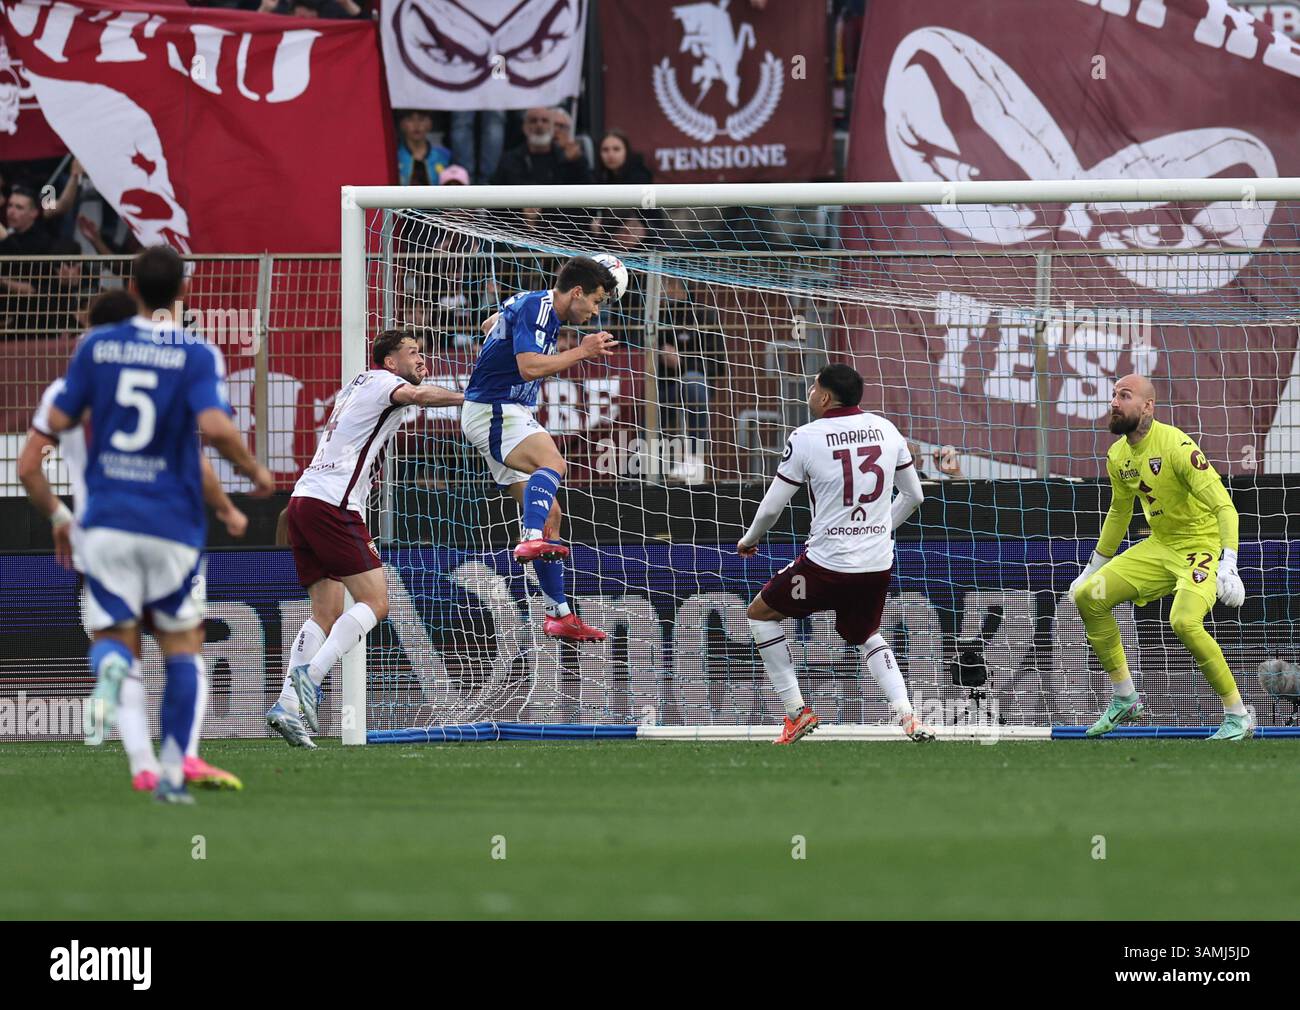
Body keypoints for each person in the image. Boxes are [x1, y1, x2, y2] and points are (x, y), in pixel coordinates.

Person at [40, 246, 274, 803]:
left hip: (107, 520)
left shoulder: (96, 346)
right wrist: (253, 472)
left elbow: (55, 421)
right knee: (181, 644)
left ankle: (114, 668)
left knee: (115, 635)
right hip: (171, 521)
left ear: (133, 287)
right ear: (183, 292)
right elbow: (214, 430)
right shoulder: (195, 353)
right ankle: (172, 773)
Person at [269, 329, 464, 747]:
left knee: (326, 611)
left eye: (423, 352)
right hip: (333, 505)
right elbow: (421, 397)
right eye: (413, 353)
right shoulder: (381, 382)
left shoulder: (356, 385)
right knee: (376, 602)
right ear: (390, 362)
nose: (422, 359)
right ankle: (311, 676)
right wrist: (472, 398)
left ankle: (287, 704)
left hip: (306, 498)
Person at [736, 363, 933, 744]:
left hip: (827, 563)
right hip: (877, 562)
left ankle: (796, 711)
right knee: (868, 634)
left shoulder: (806, 437)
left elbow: (773, 508)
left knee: (759, 614)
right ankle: (908, 715)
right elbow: (915, 495)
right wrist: (877, 530)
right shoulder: (886, 429)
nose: (809, 392)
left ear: (824, 397)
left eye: (812, 387)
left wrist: (750, 538)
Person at [1069, 374, 1251, 740]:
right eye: (1113, 396)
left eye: (1125, 395)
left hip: (1201, 546)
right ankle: (1126, 698)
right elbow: (1119, 514)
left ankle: (1238, 716)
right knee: (1089, 596)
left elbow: (1225, 507)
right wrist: (1091, 569)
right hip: (1160, 545)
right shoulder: (1118, 455)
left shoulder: (1177, 447)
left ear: (1148, 407)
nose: (1114, 403)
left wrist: (1228, 565)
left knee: (1183, 622)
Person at [460, 257, 617, 642]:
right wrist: (581, 352)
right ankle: (529, 536)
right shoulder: (538, 306)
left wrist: (503, 324)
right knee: (553, 462)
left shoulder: (532, 306)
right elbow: (529, 368)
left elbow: (488, 325)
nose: (595, 311)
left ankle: (558, 613)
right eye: (595, 301)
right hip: (494, 407)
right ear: (576, 292)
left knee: (553, 515)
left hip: (502, 410)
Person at [395, 110, 453, 186]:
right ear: (402, 124)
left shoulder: (444, 156)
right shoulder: (394, 157)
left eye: (421, 119)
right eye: (410, 119)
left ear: (430, 124)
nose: (416, 125)